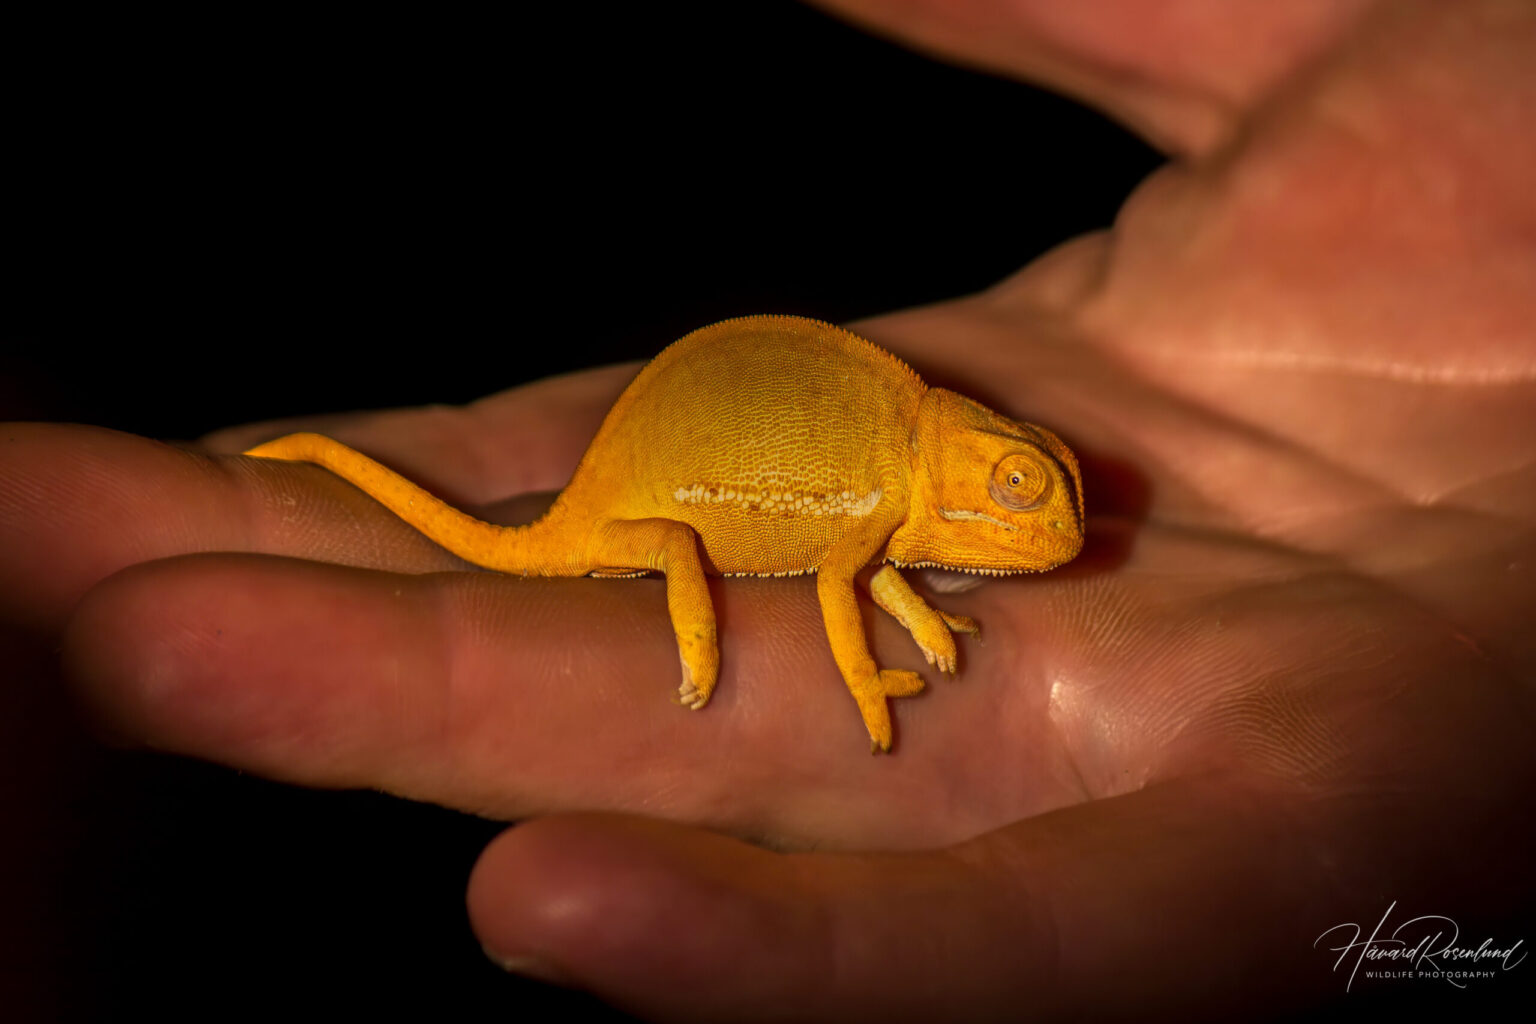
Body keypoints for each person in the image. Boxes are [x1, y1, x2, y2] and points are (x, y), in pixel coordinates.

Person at [3, 0, 1532, 1017]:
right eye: (1018, 494)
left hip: (734, 469)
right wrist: (862, 671)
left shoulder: (911, 474)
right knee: (666, 560)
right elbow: (839, 588)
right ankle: (682, 645)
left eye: (1034, 491)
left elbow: (880, 563)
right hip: (653, 513)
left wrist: (917, 603)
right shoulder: (886, 481)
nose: (1038, 523)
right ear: (967, 468)